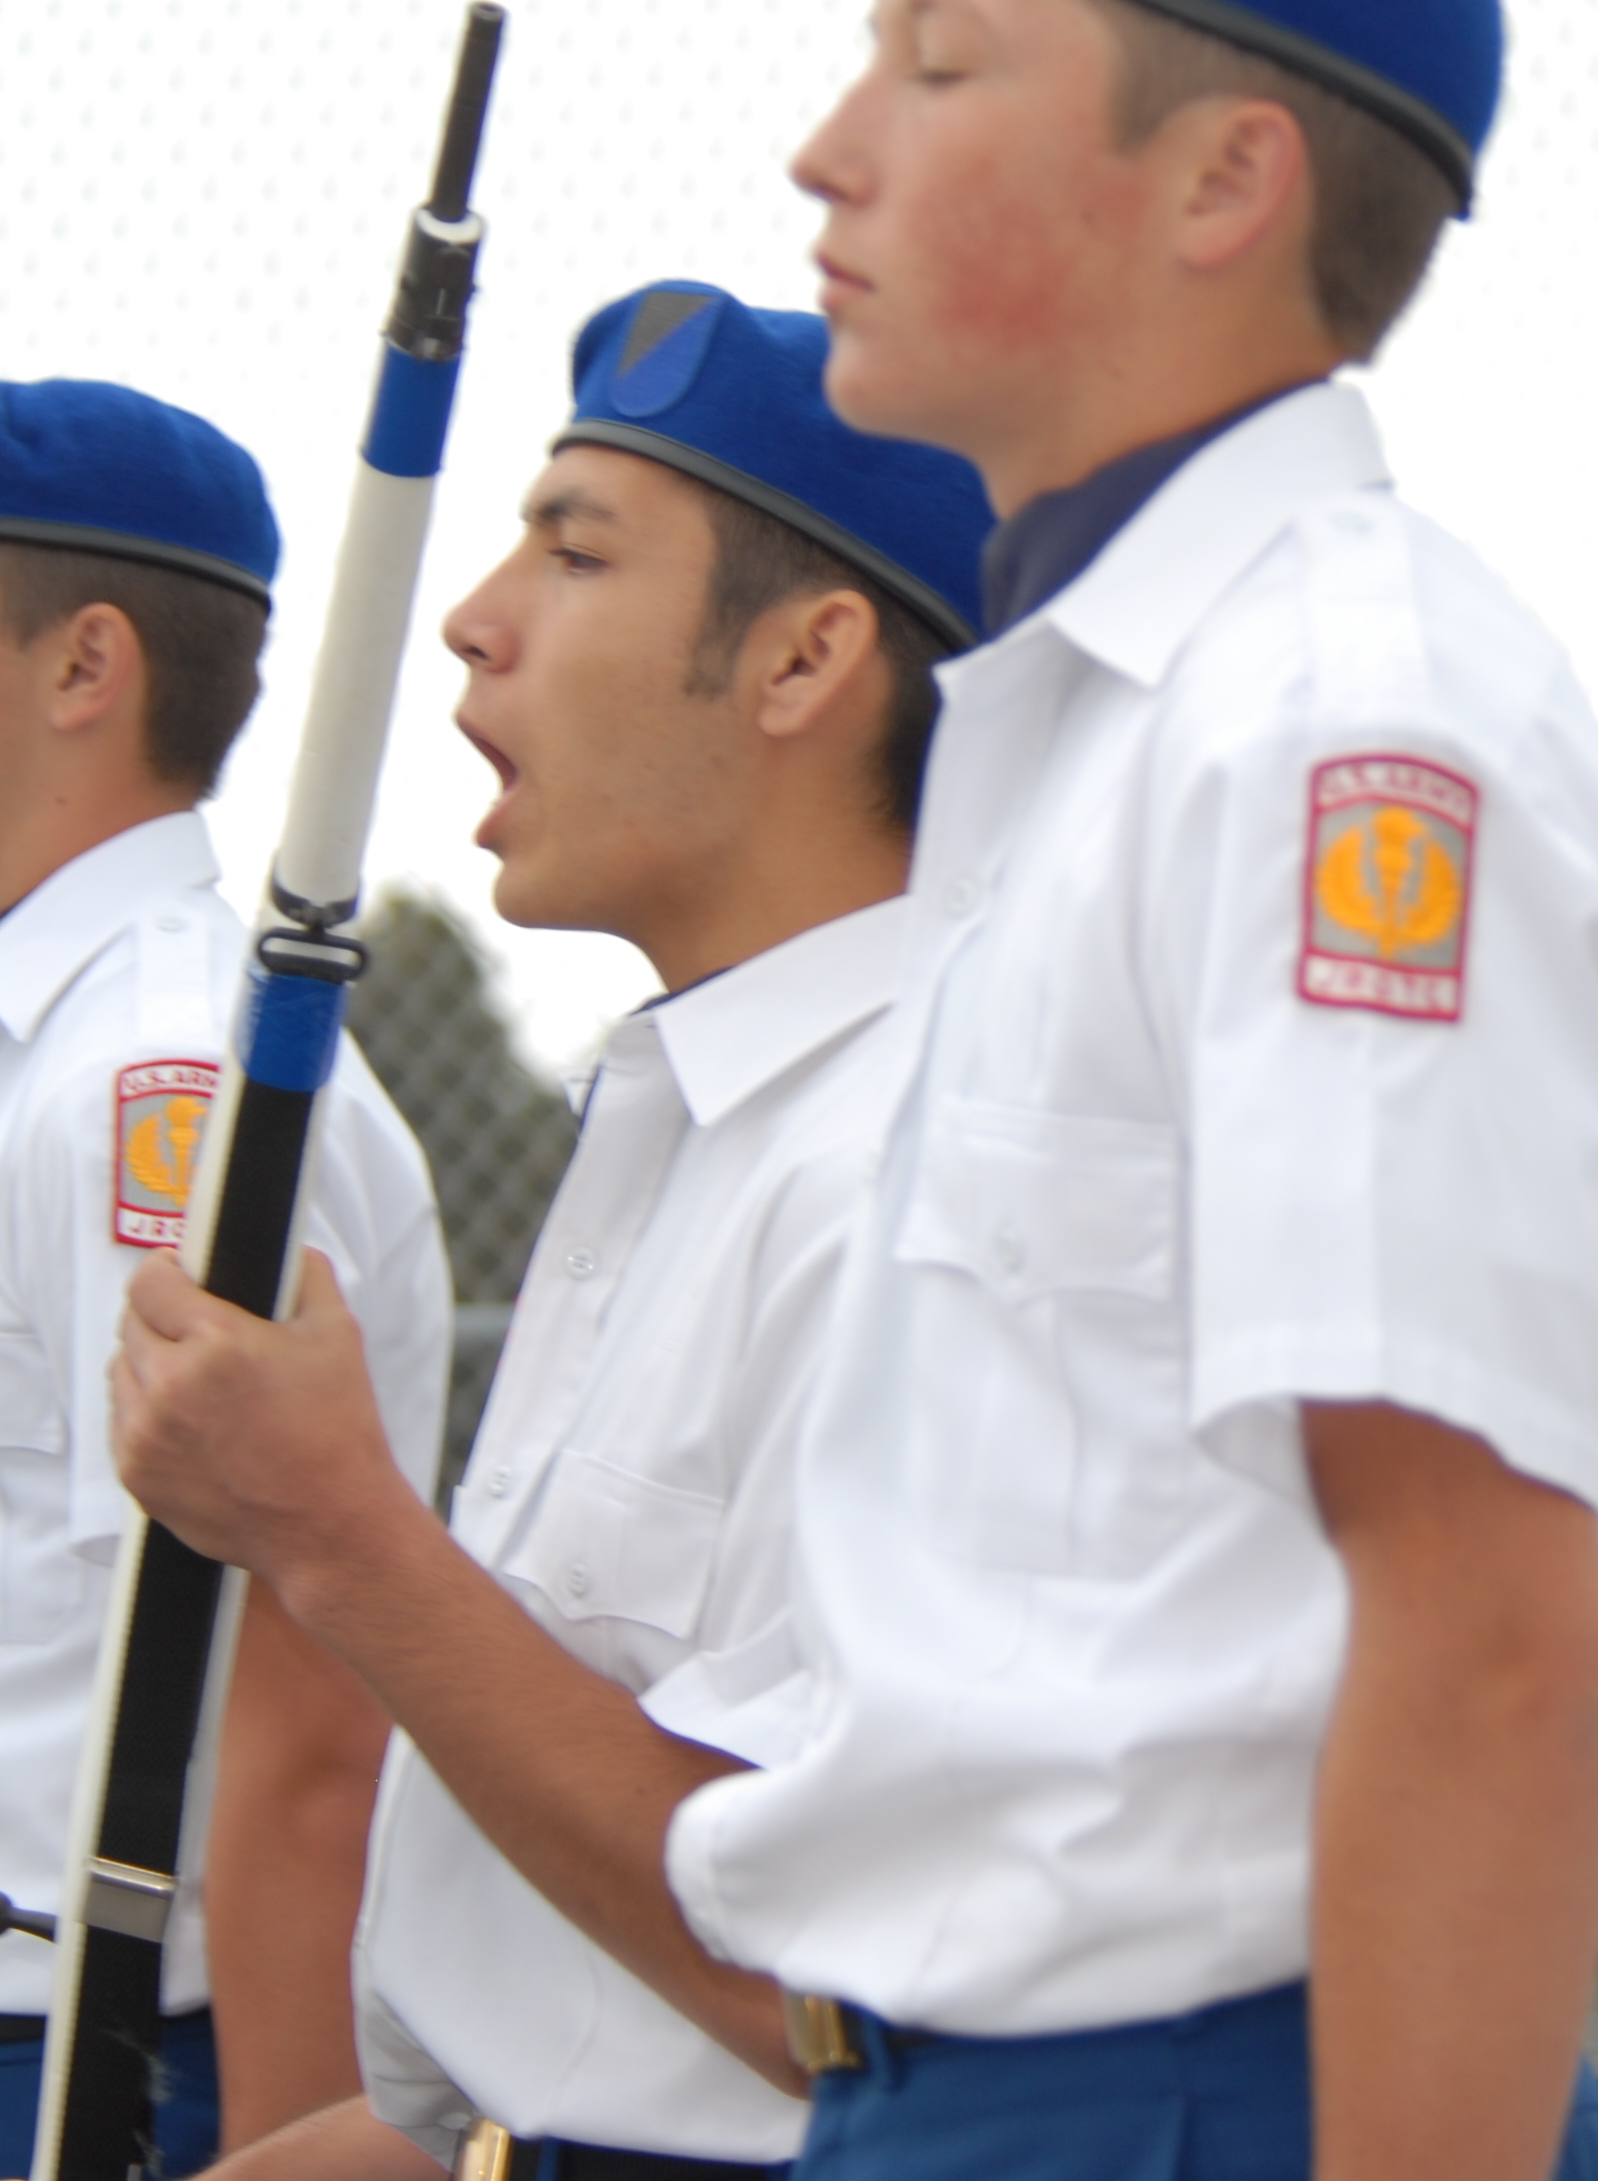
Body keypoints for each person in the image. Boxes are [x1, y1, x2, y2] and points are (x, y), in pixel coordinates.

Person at [576, 0, 1598, 2181]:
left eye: (935, 61)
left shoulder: (1337, 734)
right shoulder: (1104, 732)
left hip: (1205, 2105)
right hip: (1003, 2096)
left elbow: (1490, 1638)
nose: (823, 145)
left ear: (1221, 181)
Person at [107, 278, 989, 2181]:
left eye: (574, 554)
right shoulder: (693, 1126)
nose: (472, 616)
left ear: (803, 659)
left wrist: (338, 1535)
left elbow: (817, 1994)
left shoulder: (911, 1180)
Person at [0, 378, 454, 2177]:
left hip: (71, 2082)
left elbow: (283, 1681)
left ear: (85, 669)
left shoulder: (155, 1081)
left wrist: (291, 2142)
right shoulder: (31, 1060)